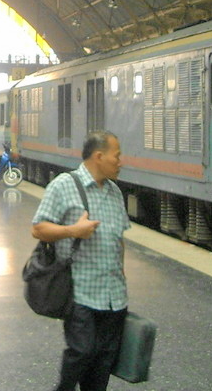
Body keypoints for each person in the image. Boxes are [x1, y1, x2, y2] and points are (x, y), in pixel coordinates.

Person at [32, 131, 129, 391]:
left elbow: (119, 240)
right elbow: (38, 228)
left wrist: (122, 276)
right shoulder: (64, 185)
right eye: (117, 156)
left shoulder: (115, 193)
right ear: (99, 156)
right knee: (82, 351)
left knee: (103, 362)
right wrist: (73, 231)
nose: (121, 162)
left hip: (113, 296)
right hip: (80, 292)